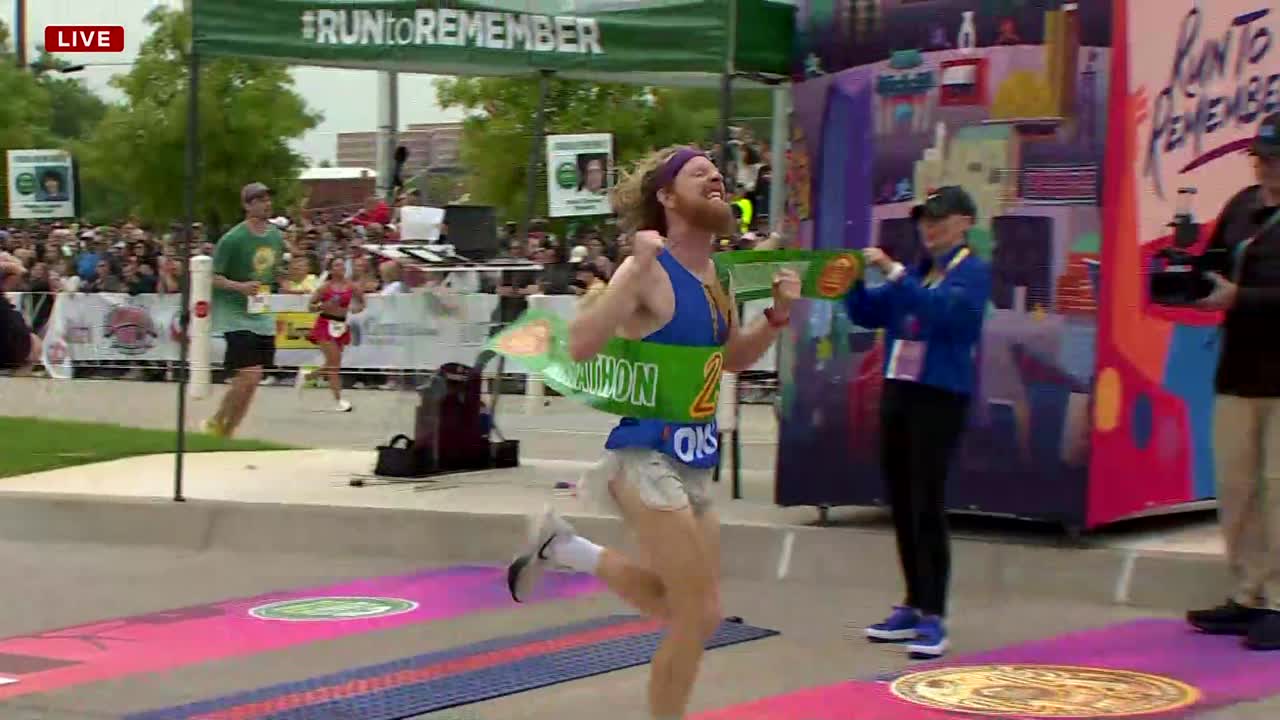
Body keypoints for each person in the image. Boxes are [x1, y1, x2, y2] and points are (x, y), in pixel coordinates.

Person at [505, 146, 800, 720]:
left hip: (696, 459)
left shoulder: (717, 276)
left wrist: (776, 318)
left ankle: (562, 546)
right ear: (667, 197)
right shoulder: (648, 269)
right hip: (643, 457)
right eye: (699, 174)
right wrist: (635, 267)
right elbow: (582, 344)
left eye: (718, 173)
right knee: (697, 613)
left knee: (696, 611)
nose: (716, 178)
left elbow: (732, 357)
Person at [846, 185, 992, 659]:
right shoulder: (918, 273)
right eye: (925, 219)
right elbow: (872, 312)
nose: (930, 228)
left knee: (927, 501)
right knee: (902, 501)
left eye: (941, 218)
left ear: (966, 221)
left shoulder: (971, 272)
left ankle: (935, 614)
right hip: (899, 391)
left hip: (939, 397)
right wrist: (847, 282)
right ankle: (912, 601)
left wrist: (893, 273)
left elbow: (946, 317)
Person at [1186, 113, 1280, 651]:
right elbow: (1212, 261)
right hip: (1238, 370)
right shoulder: (1243, 206)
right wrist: (1185, 279)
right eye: (1261, 157)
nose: (1266, 167)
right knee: (1238, 487)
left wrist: (1239, 298)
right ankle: (1247, 594)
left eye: (1275, 158)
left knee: (1277, 487)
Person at [203, 182, 286, 438]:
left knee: (253, 380)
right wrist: (239, 286)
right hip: (234, 313)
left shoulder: (275, 236)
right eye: (259, 200)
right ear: (247, 205)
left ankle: (226, 430)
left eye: (267, 199)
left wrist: (288, 279)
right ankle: (218, 422)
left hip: (260, 312)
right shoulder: (233, 239)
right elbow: (212, 277)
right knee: (250, 374)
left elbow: (273, 274)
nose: (266, 204)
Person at [296, 257, 364, 413]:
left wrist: (356, 309)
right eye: (336, 265)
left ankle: (307, 376)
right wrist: (322, 306)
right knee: (334, 365)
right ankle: (338, 400)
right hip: (325, 325)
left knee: (333, 363)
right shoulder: (325, 288)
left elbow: (362, 302)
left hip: (341, 325)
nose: (340, 267)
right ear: (331, 269)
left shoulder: (351, 286)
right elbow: (310, 307)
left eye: (342, 265)